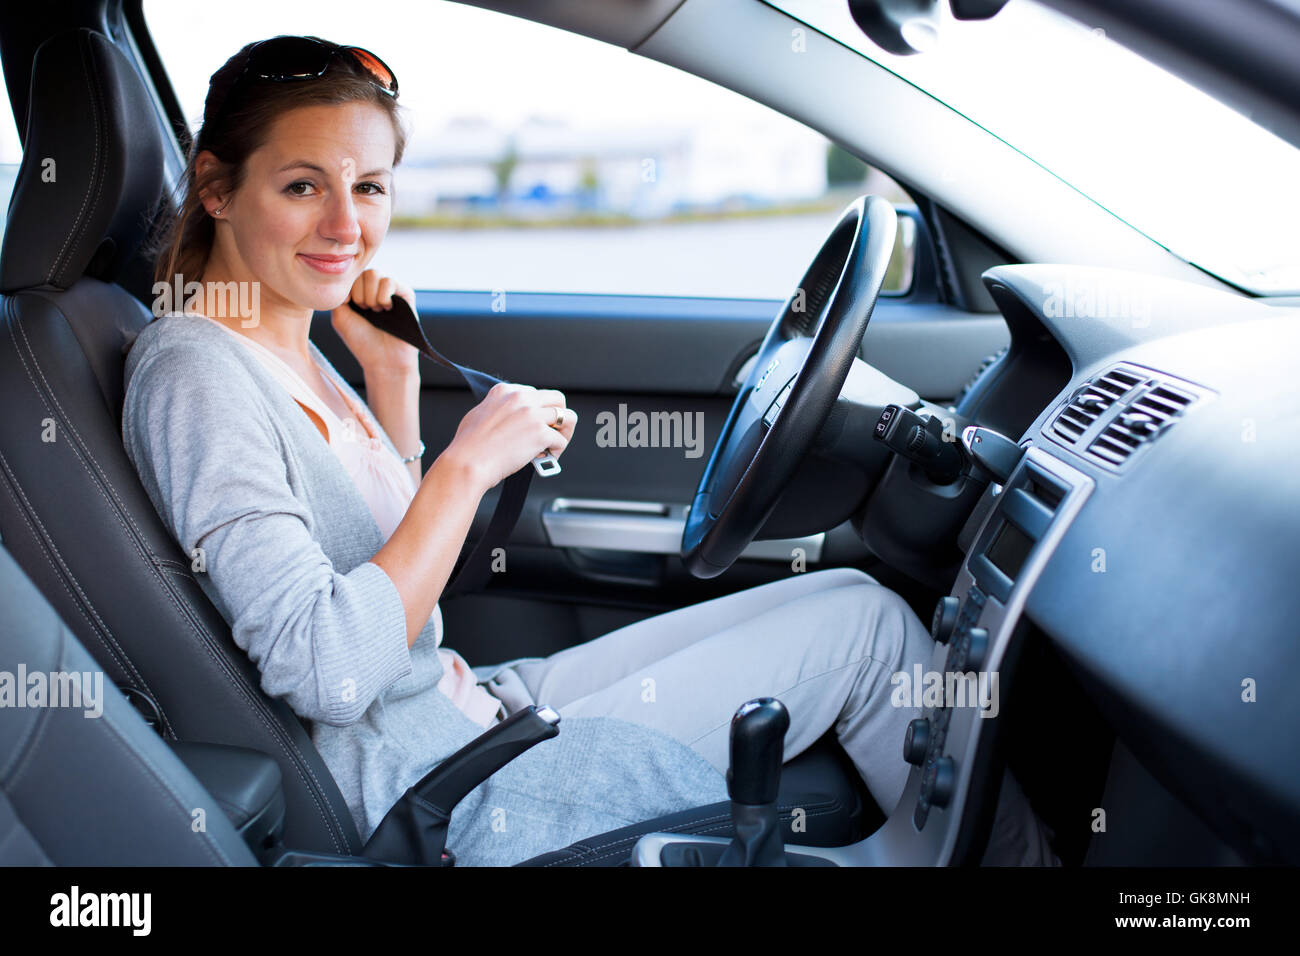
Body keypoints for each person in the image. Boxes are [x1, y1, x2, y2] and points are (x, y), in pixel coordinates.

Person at [123, 35, 998, 867]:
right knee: (871, 639)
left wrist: (391, 375)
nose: (348, 226)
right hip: (440, 781)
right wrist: (467, 465)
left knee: (854, 603)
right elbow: (331, 672)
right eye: (304, 186)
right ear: (217, 188)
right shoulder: (197, 374)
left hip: (470, 707)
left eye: (371, 187)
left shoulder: (290, 343)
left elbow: (392, 583)